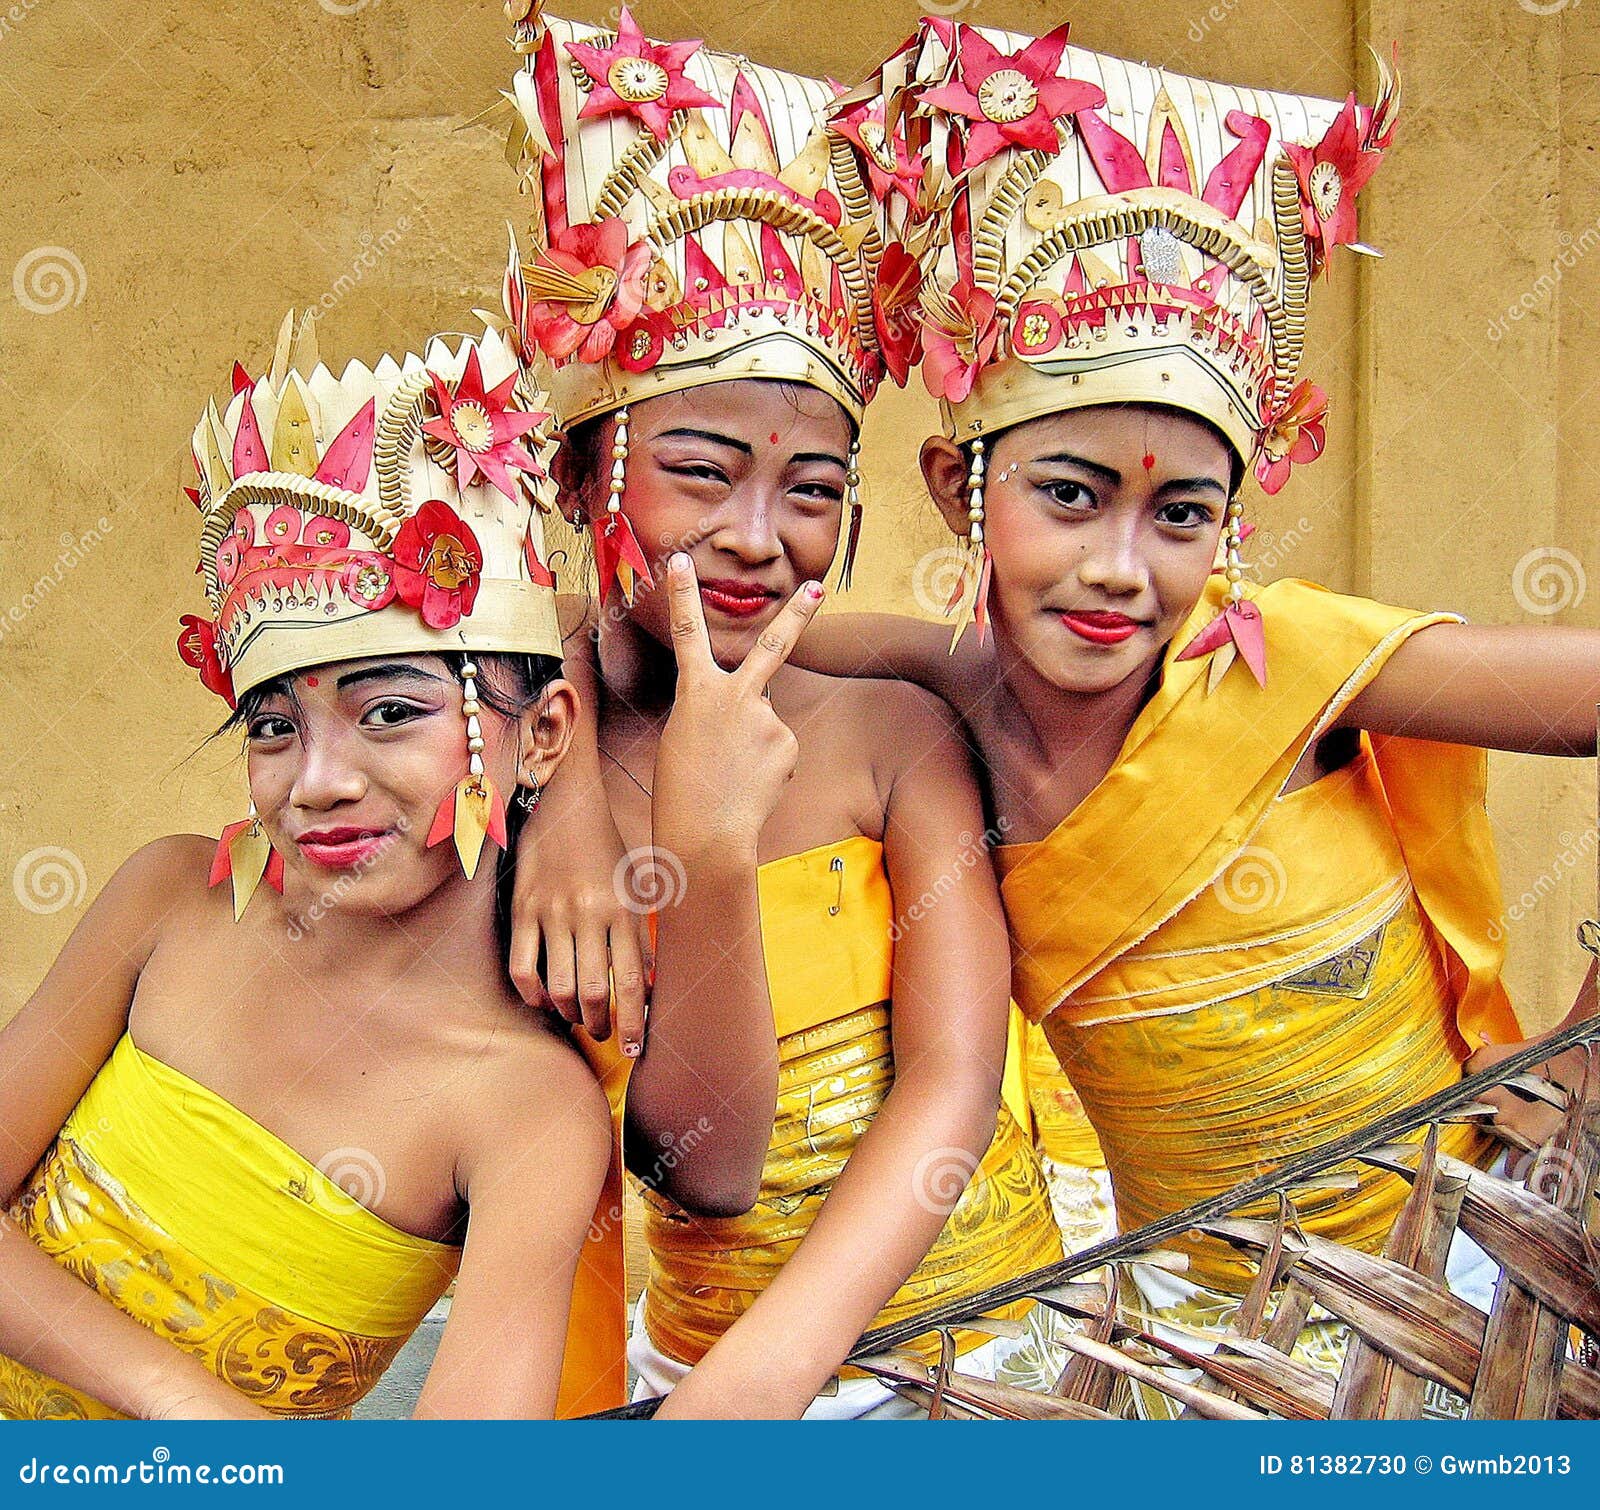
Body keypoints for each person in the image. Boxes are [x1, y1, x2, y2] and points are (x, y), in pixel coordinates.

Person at [798, 18, 1600, 1411]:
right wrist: (565, 821)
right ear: (952, 485)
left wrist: (1576, 1093)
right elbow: (691, 648)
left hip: (1454, 1304)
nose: (1120, 567)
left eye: (1179, 514)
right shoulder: (941, 702)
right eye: (1067, 495)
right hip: (1186, 1346)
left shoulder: (1286, 664)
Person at [497, 8, 1063, 1418]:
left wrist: (752, 1392)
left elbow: (951, 1088)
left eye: (811, 490)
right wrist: (692, 835)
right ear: (581, 487)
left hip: (994, 1362)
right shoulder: (526, 788)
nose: (759, 537)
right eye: (699, 472)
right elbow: (707, 1160)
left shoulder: (890, 744)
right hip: (697, 1369)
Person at [0, 310, 618, 1419]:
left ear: (542, 733)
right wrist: (179, 1400)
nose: (317, 780)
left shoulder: (528, 1112)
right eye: (274, 726)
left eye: (389, 710)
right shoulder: (170, 901)